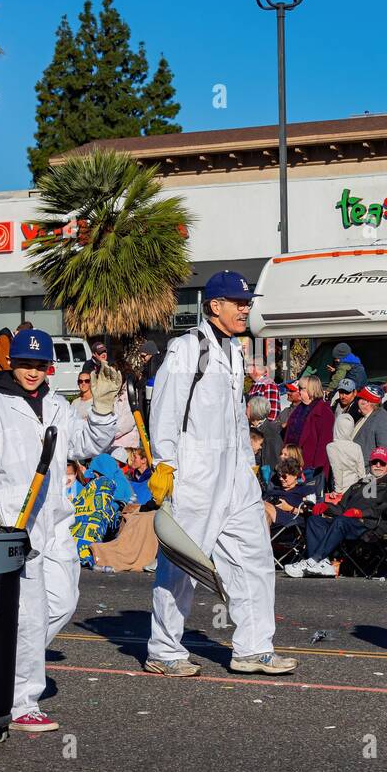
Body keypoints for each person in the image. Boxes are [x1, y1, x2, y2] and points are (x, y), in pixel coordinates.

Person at [0, 328, 120, 733]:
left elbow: (83, 445)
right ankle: (21, 700)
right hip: (13, 524)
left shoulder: (57, 405)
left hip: (55, 522)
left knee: (63, 603)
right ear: (12, 363)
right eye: (25, 363)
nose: (32, 371)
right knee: (28, 615)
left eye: (39, 364)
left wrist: (101, 408)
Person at [145, 270, 298, 677]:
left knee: (255, 559)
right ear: (215, 306)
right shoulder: (186, 349)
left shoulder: (233, 352)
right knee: (182, 564)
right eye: (239, 302)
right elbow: (165, 410)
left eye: (247, 302)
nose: (246, 309)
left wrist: (248, 467)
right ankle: (164, 649)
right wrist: (165, 464)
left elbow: (232, 419)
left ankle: (253, 647)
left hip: (235, 475)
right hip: (195, 474)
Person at [286, 446, 387, 578]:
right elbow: (342, 508)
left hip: (372, 524)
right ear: (370, 463)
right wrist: (326, 507)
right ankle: (322, 563)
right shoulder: (362, 483)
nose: (378, 465)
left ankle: (314, 560)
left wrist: (362, 513)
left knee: (341, 522)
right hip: (349, 521)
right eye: (374, 462)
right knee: (315, 521)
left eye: (382, 463)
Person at [281, 374, 333, 478]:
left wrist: (316, 472)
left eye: (302, 389)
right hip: (291, 464)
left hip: (309, 468)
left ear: (311, 389)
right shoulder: (299, 409)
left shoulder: (324, 412)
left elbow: (323, 445)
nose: (299, 391)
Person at [352, 384, 387, 467]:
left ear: (366, 402)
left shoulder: (384, 420)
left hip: (366, 471)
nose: (357, 401)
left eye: (359, 398)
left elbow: (384, 452)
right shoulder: (363, 416)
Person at [248, 395, 283, 479]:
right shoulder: (250, 428)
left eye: (248, 407)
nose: (245, 410)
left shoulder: (270, 434)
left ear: (254, 410)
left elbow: (273, 463)